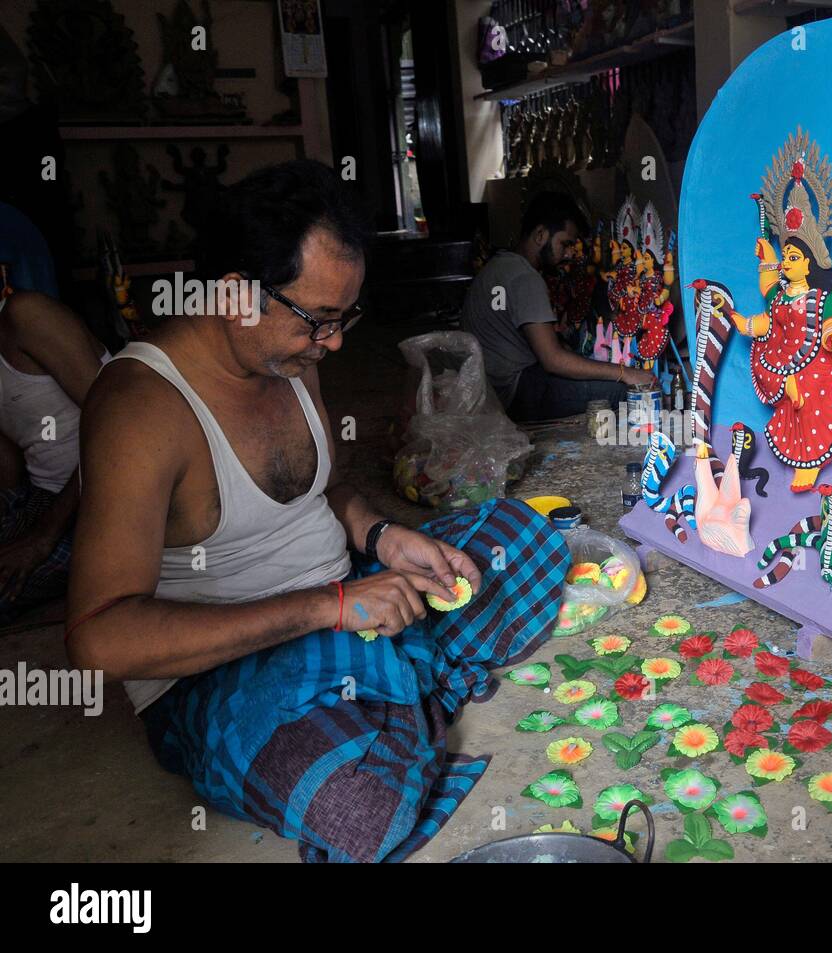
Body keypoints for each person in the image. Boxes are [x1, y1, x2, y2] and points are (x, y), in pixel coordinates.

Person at [65, 160, 567, 862]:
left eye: (342, 320)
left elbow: (322, 489)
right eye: (319, 320)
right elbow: (98, 640)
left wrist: (385, 537)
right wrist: (328, 607)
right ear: (238, 295)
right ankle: (404, 683)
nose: (332, 344)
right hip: (228, 670)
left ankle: (389, 692)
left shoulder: (291, 358)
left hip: (347, 598)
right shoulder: (139, 407)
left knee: (528, 541)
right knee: (359, 807)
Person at [461, 190, 657, 420]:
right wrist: (625, 373)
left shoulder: (500, 265)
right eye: (564, 244)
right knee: (623, 392)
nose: (568, 254)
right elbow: (553, 360)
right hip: (513, 393)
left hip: (491, 387)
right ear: (540, 234)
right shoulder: (524, 277)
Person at [0, 273, 109, 621]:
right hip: (46, 497)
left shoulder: (26, 316)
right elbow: (10, 470)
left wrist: (42, 536)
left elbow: (125, 426)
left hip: (109, 494)